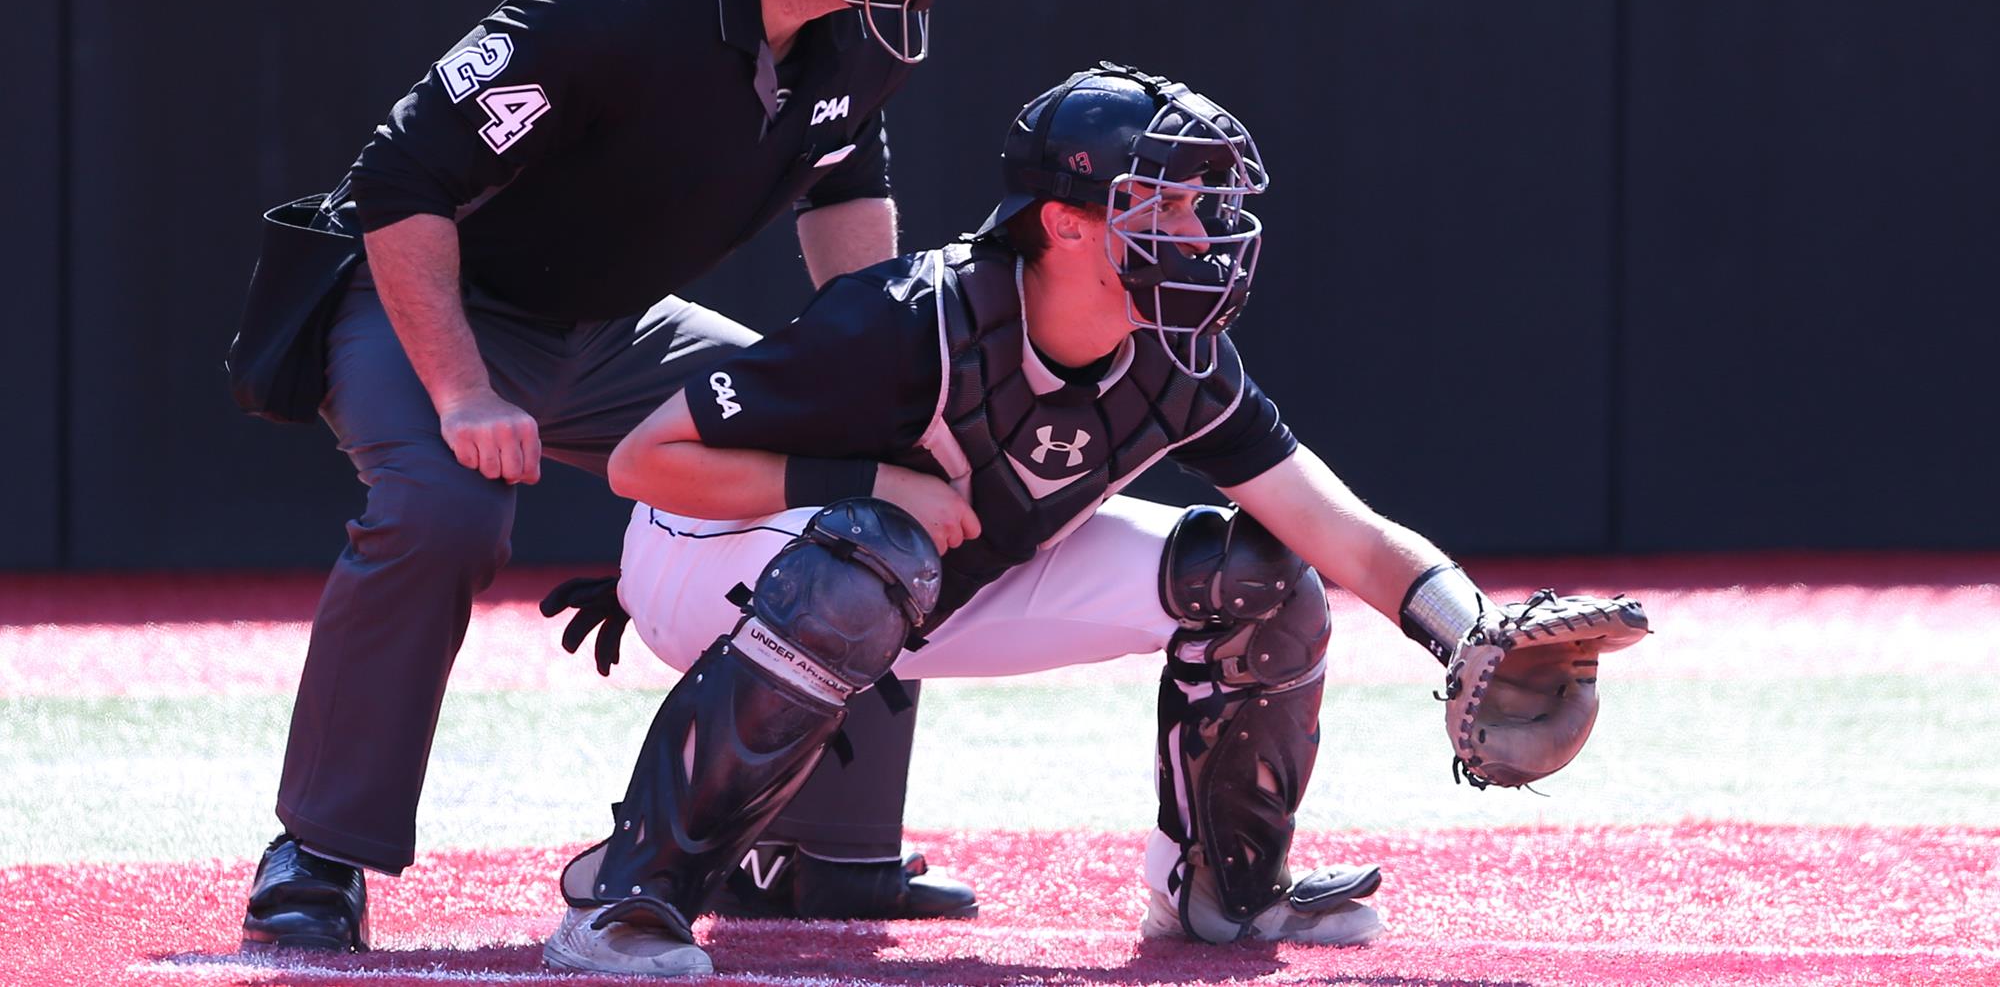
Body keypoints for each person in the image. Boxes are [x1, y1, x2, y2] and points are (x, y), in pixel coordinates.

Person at [533, 63, 1648, 977]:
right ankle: (632, 895)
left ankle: (1224, 887)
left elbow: (1336, 526)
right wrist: (868, 485)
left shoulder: (1179, 354)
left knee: (1265, 574)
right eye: (1159, 200)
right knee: (876, 550)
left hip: (938, 573)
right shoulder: (905, 321)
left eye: (1203, 200)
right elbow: (647, 462)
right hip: (715, 558)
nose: (1200, 227)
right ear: (1065, 224)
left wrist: (1469, 631)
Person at [238, 0, 979, 954]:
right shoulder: (608, 6)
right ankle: (317, 851)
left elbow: (840, 185)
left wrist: (878, 387)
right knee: (445, 509)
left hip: (608, 325)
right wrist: (462, 389)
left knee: (887, 450)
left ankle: (818, 845)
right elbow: (398, 181)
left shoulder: (856, 26)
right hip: (432, 303)